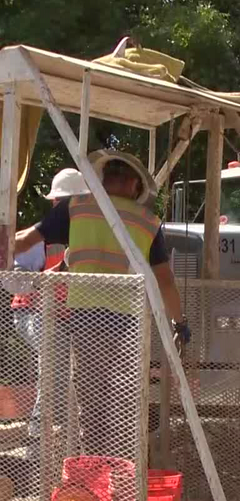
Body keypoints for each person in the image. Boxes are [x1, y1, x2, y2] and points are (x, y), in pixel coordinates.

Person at [12, 151, 190, 455]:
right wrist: (180, 323)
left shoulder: (76, 207)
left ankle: (93, 471)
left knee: (91, 402)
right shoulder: (147, 221)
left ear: (102, 180)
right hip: (127, 325)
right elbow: (166, 281)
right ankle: (125, 471)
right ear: (135, 186)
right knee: (123, 403)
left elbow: (25, 240)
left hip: (86, 320)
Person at [8, 168, 88, 444]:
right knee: (54, 354)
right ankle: (38, 429)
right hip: (32, 313)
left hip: (63, 319)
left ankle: (66, 429)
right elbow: (12, 282)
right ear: (57, 203)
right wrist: (43, 280)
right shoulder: (38, 237)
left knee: (73, 366)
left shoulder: (82, 237)